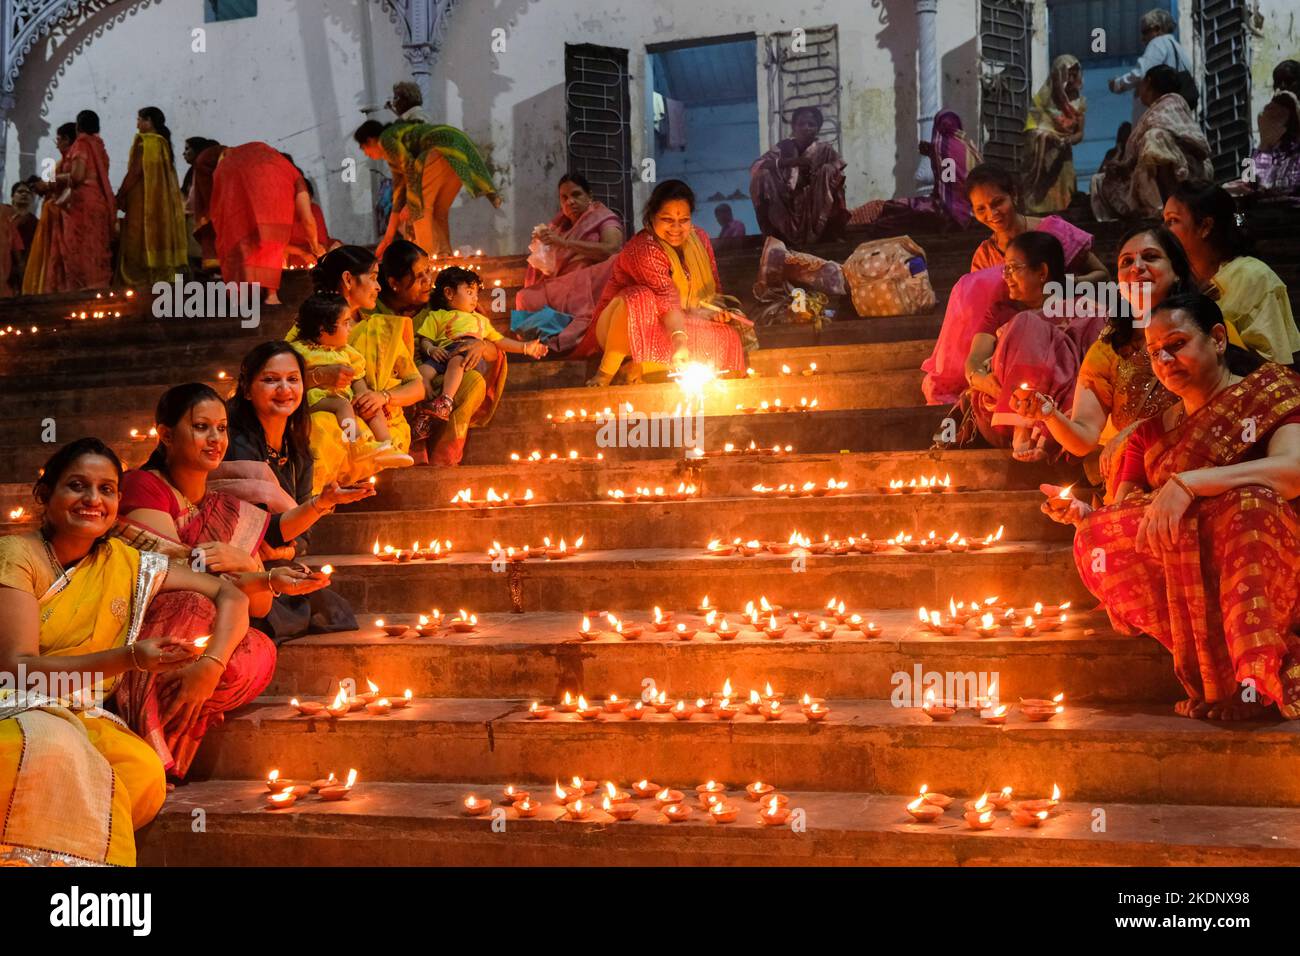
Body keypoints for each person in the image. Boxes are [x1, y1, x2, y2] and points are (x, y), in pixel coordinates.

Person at [1045, 293, 1300, 721]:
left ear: (1218, 339)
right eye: (1154, 352)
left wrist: (1191, 484)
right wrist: (1084, 517)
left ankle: (1257, 679)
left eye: (1177, 344)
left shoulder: (1267, 392)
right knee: (1099, 535)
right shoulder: (1149, 435)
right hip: (1186, 563)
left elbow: (1293, 470)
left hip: (1264, 552)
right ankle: (1213, 664)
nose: (1165, 360)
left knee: (1249, 506)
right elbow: (1125, 513)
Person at [0, 438, 249, 864]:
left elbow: (231, 594)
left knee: (143, 773)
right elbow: (19, 671)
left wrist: (212, 662)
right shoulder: (18, 555)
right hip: (16, 704)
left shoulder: (127, 563)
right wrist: (130, 658)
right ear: (46, 495)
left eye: (107, 489)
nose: (92, 500)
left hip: (85, 713)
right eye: (77, 486)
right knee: (49, 746)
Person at [110, 385, 331, 778]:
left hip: (207, 639)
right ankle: (153, 743)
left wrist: (248, 566)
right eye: (201, 427)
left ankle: (175, 722)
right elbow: (173, 575)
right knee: (192, 603)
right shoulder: (144, 486)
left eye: (222, 429)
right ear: (164, 434)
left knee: (259, 650)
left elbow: (261, 606)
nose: (216, 440)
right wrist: (255, 573)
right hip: (151, 631)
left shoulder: (226, 508)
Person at [1015, 226, 1208, 501]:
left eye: (1150, 257)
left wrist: (1137, 429)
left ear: (1176, 270)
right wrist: (1048, 413)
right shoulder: (1110, 347)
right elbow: (1083, 439)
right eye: (1126, 262)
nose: (1137, 267)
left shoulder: (1206, 327)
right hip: (1133, 481)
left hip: (1200, 473)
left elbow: (1223, 398)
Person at [223, 340, 374, 642]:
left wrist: (291, 547)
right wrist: (318, 506)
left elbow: (302, 538)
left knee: (332, 608)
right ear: (247, 389)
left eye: (293, 379)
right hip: (237, 562)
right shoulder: (234, 445)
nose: (284, 389)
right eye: (270, 380)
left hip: (277, 559)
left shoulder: (298, 451)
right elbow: (262, 531)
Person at [921, 163, 1107, 404]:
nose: (992, 214)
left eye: (998, 202)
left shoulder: (1053, 231)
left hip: (1065, 326)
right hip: (1011, 344)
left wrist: (1059, 287)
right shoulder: (984, 256)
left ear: (1014, 195)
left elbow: (1102, 275)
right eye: (981, 209)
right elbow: (983, 318)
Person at [575, 179, 750, 386]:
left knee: (727, 337)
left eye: (683, 220)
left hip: (677, 322)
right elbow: (666, 299)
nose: (676, 228)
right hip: (627, 325)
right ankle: (605, 373)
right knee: (640, 298)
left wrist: (715, 313)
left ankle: (641, 367)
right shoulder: (643, 248)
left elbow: (711, 290)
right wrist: (679, 339)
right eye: (667, 219)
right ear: (651, 217)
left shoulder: (700, 238)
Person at [963, 231, 1106, 459]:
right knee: (1026, 321)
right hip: (1002, 409)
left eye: (1013, 268)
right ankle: (1023, 425)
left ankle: (1044, 430)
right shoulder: (1001, 312)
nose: (1006, 276)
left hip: (1065, 405)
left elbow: (1094, 363)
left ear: (1042, 272)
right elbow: (974, 361)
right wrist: (983, 380)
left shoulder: (1083, 308)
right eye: (1005, 269)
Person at [290, 246, 425, 485]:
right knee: (321, 427)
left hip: (380, 424)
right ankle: (307, 505)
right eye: (373, 277)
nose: (378, 286)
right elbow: (280, 379)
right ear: (348, 279)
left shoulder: (383, 328)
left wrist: (382, 397)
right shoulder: (307, 331)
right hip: (324, 415)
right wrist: (320, 376)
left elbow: (417, 387)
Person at [366, 241, 493, 466]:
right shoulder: (370, 307)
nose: (428, 281)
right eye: (419, 276)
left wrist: (480, 345)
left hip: (436, 378)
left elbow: (494, 348)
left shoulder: (444, 304)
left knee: (473, 381)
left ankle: (445, 453)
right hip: (387, 387)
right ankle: (411, 444)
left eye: (429, 272)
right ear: (394, 282)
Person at [1162, 181, 1300, 364]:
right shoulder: (1176, 281)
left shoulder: (1252, 277)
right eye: (1164, 222)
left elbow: (1271, 366)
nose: (1164, 231)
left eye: (1173, 220)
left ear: (1205, 227)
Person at [289, 293, 416, 464]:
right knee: (340, 404)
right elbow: (289, 378)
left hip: (345, 400)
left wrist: (363, 396)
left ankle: (388, 447)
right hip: (313, 400)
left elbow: (357, 378)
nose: (350, 328)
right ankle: (356, 444)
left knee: (371, 406)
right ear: (322, 329)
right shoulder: (299, 351)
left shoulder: (346, 352)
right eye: (345, 323)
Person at [354, 117, 501, 257]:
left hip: (439, 149)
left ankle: (426, 262)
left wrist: (411, 202)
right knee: (438, 209)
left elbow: (410, 166)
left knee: (419, 210)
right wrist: (387, 239)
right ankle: (444, 256)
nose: (367, 154)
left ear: (370, 140)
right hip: (458, 150)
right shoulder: (394, 146)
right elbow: (399, 192)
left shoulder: (385, 140)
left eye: (364, 149)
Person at [418, 265, 545, 420]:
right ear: (449, 293)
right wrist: (431, 350)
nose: (475, 298)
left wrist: (525, 348)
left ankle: (445, 401)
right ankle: (426, 400)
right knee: (423, 370)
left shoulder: (479, 319)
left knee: (457, 362)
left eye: (476, 294)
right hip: (442, 354)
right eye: (470, 292)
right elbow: (424, 339)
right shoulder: (436, 316)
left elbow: (499, 340)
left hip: (467, 352)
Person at [515, 173, 624, 351]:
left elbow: (612, 248)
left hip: (592, 286)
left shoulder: (603, 217)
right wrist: (542, 248)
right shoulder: (559, 227)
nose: (570, 202)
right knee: (524, 297)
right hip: (561, 287)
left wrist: (564, 244)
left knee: (617, 261)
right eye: (564, 198)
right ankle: (564, 325)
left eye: (576, 194)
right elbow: (549, 270)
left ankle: (566, 326)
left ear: (589, 195)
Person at [1091, 66, 1213, 221]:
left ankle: (1161, 209)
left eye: (1141, 84)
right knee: (1099, 181)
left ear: (1148, 83)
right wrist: (1125, 166)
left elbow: (1169, 150)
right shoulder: (1163, 109)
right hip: (1178, 175)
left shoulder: (1168, 107)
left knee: (1155, 139)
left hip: (1185, 179)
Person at [208, 142, 323, 305]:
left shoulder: (263, 163)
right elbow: (308, 219)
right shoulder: (293, 177)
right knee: (271, 236)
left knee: (238, 235)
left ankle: (239, 298)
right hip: (245, 182)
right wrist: (314, 246)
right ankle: (271, 295)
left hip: (229, 177)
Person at [849, 109, 983, 232]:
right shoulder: (967, 145)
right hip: (968, 207)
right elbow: (954, 174)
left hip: (949, 209)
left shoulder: (940, 145)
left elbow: (949, 179)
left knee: (880, 209)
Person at [749, 106, 848, 247]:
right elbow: (756, 165)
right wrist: (792, 162)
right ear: (794, 127)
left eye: (811, 124)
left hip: (816, 203)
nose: (806, 128)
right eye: (801, 124)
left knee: (831, 171)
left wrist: (820, 174)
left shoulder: (824, 149)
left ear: (818, 128)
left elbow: (837, 170)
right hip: (785, 202)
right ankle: (771, 235)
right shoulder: (783, 147)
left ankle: (832, 231)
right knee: (761, 176)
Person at [115, 107, 187, 286]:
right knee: (157, 236)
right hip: (159, 203)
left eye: (139, 119)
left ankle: (137, 281)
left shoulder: (144, 142)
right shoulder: (163, 143)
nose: (137, 124)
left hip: (141, 200)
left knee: (136, 240)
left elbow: (135, 172)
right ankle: (159, 279)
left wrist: (120, 194)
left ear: (149, 121)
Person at [1023, 55, 1086, 213]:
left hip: (1062, 160)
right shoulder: (1042, 101)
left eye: (1074, 74)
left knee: (1063, 203)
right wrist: (1046, 136)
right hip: (1041, 160)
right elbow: (1032, 130)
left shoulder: (1079, 103)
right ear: (1057, 76)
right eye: (1066, 74)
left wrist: (1067, 140)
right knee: (1039, 206)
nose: (1071, 79)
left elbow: (1080, 134)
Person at [1108, 8, 1194, 123]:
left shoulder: (1158, 42)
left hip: (1158, 116)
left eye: (1145, 32)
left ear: (1157, 29)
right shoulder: (1180, 49)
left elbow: (1141, 73)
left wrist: (1117, 84)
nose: (1142, 39)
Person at [20, 123, 76, 296]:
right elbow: (48, 186)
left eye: (58, 139)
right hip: (53, 217)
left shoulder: (72, 162)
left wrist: (44, 185)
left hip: (63, 217)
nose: (56, 144)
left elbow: (65, 184)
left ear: (67, 140)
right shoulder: (61, 163)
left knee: (58, 257)